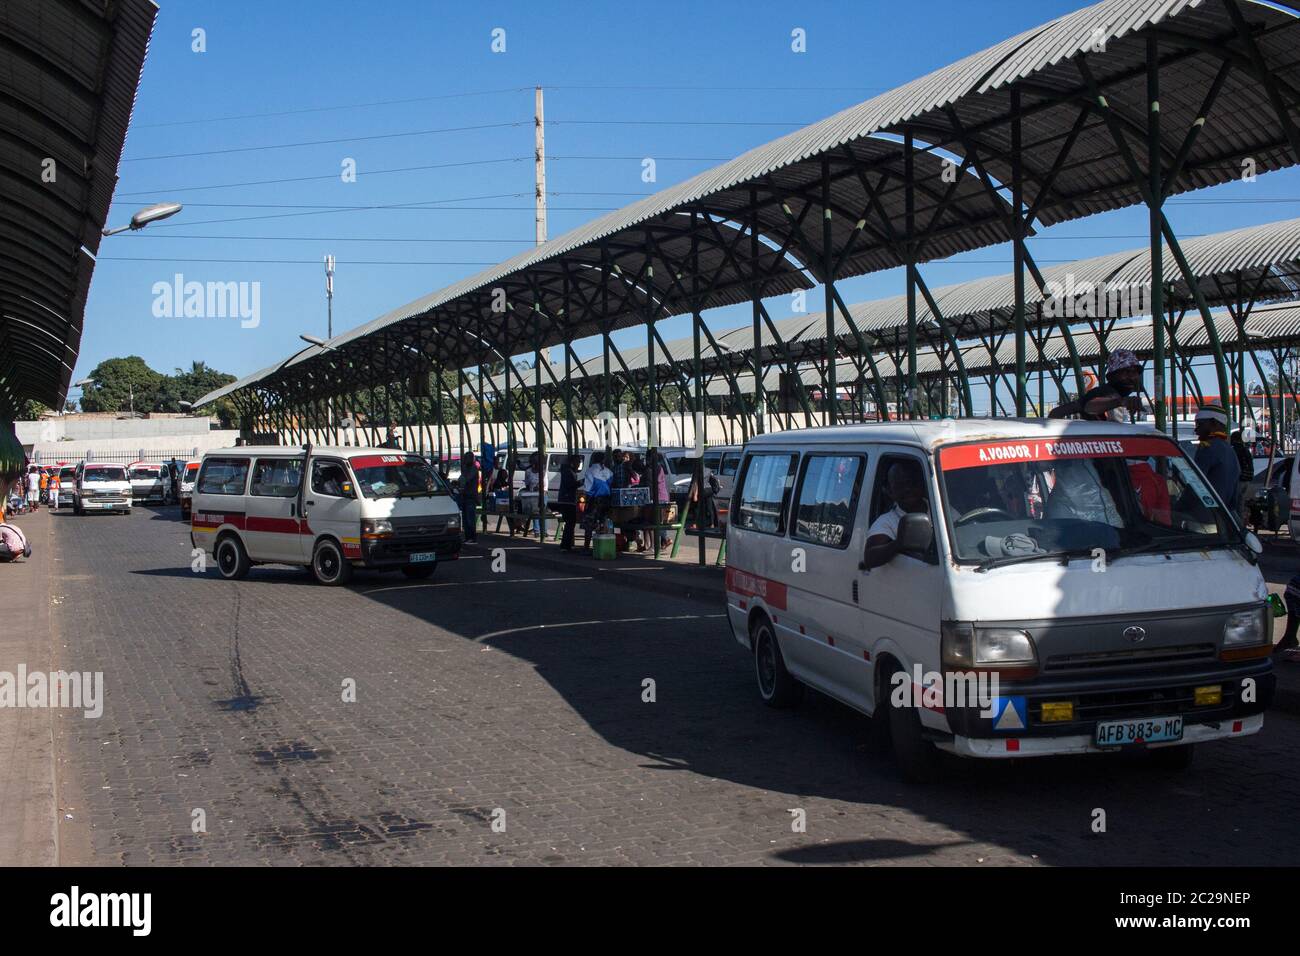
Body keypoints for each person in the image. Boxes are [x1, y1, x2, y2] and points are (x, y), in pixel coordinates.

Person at [862, 460, 929, 569]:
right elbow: (870, 558)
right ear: (890, 492)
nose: (907, 489)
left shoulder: (941, 509)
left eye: (911, 482)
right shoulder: (887, 521)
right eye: (900, 485)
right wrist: (899, 544)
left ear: (921, 484)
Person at [1048, 349, 1144, 421]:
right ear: (1113, 375)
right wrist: (1120, 402)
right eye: (1127, 372)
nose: (1132, 377)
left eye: (1136, 372)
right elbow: (1089, 406)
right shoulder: (1106, 393)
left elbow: (1055, 413)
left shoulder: (1117, 395)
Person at [1193, 404, 1241, 513]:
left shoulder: (1207, 449)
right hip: (1224, 517)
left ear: (1214, 423)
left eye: (1200, 425)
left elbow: (1195, 485)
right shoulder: (1230, 450)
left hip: (1205, 517)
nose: (1196, 430)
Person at [579, 451, 613, 550]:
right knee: (604, 522)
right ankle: (604, 546)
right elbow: (610, 484)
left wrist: (584, 500)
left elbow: (587, 489)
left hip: (594, 501)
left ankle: (586, 547)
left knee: (589, 524)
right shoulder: (608, 471)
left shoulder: (590, 471)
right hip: (606, 500)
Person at [554, 454, 580, 551]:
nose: (579, 464)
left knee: (569, 523)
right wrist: (581, 482)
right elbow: (571, 485)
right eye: (578, 462)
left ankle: (566, 544)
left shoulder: (568, 471)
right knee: (570, 522)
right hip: (567, 500)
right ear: (572, 462)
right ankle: (565, 545)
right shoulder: (568, 472)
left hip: (567, 499)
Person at [459, 451, 480, 543]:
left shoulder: (473, 468)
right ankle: (468, 537)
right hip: (465, 495)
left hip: (471, 495)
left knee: (470, 518)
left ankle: (472, 537)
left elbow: (467, 479)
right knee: (465, 518)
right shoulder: (465, 468)